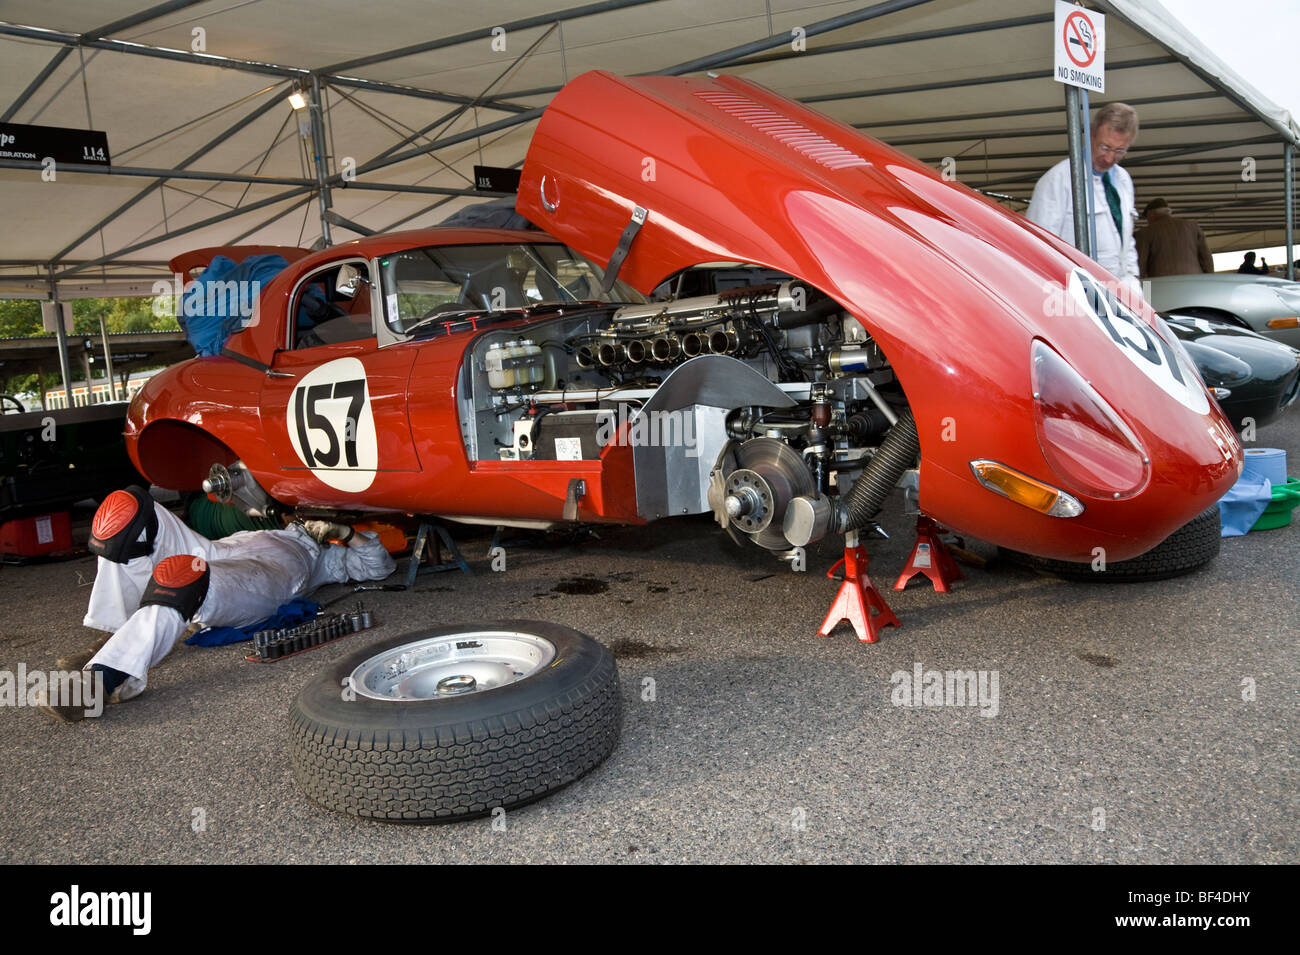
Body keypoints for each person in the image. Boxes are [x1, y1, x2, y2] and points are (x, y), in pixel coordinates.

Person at [35, 486, 395, 722]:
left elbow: (379, 568)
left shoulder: (326, 557)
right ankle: (115, 638)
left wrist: (346, 535)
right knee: (131, 508)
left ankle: (101, 681)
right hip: (218, 553)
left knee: (183, 577)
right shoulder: (265, 530)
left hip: (266, 580)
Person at [1027, 102, 1141, 294]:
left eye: (1119, 151)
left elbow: (1126, 240)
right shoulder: (1059, 179)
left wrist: (1133, 278)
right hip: (1074, 292)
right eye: (1104, 147)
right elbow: (1037, 247)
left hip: (1118, 292)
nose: (1109, 158)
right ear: (1090, 134)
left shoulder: (1123, 180)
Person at [1134, 198, 1214, 278]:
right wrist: (1209, 280)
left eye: (1147, 218)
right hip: (1194, 281)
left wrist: (1147, 286)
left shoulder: (1144, 233)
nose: (1148, 221)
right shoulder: (1193, 227)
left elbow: (1140, 267)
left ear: (1152, 214)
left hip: (1161, 283)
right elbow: (1206, 259)